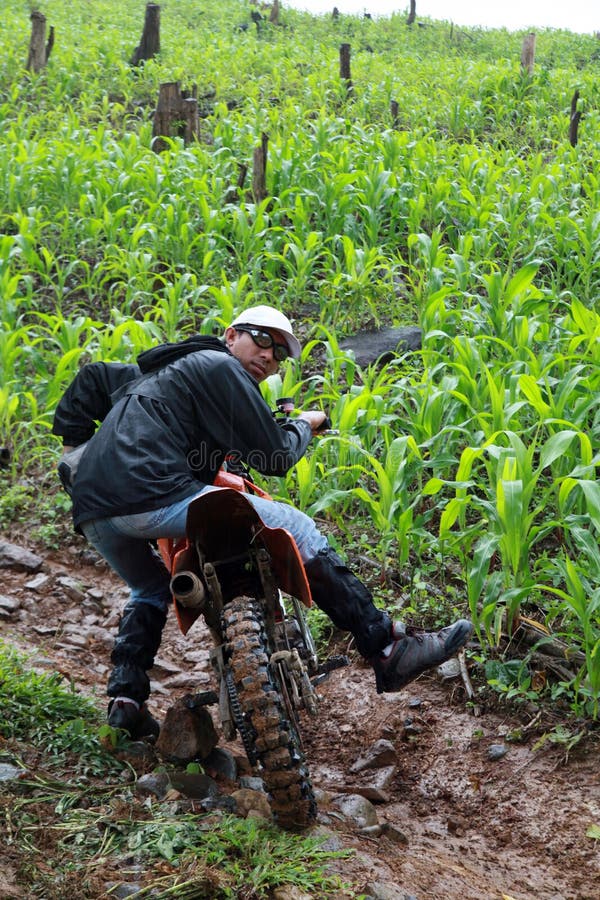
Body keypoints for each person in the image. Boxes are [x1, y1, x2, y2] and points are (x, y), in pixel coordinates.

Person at [52, 305, 472, 739]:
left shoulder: (167, 372)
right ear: (231, 335)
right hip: (152, 493)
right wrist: (305, 424)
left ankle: (126, 703)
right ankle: (388, 647)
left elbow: (94, 377)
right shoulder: (218, 363)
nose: (270, 356)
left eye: (281, 354)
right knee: (297, 526)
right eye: (263, 339)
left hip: (95, 510)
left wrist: (77, 455)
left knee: (149, 588)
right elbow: (274, 456)